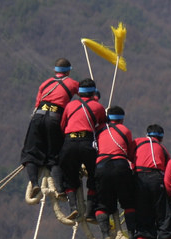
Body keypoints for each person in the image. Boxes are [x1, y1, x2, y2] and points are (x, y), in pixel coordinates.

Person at [21, 58, 78, 193]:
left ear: (54, 70)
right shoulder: (72, 83)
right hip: (55, 118)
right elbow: (87, 94)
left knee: (30, 153)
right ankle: (59, 188)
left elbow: (37, 104)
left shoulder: (45, 84)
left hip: (38, 117)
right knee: (55, 155)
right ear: (68, 71)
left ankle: (34, 182)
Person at [54, 79, 107, 219]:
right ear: (93, 92)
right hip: (87, 143)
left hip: (69, 142)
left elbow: (62, 126)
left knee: (68, 174)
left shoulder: (70, 106)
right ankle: (90, 212)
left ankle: (73, 207)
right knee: (94, 176)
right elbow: (102, 127)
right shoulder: (98, 107)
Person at [93, 106, 137, 239]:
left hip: (102, 166)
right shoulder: (125, 131)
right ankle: (131, 235)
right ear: (122, 119)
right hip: (120, 165)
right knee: (129, 203)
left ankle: (106, 234)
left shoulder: (99, 130)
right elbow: (130, 153)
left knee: (102, 205)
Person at [133, 123, 171, 239]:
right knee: (163, 218)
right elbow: (168, 173)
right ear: (161, 138)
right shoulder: (163, 149)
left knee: (142, 218)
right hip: (157, 179)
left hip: (139, 179)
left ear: (146, 134)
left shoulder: (136, 143)